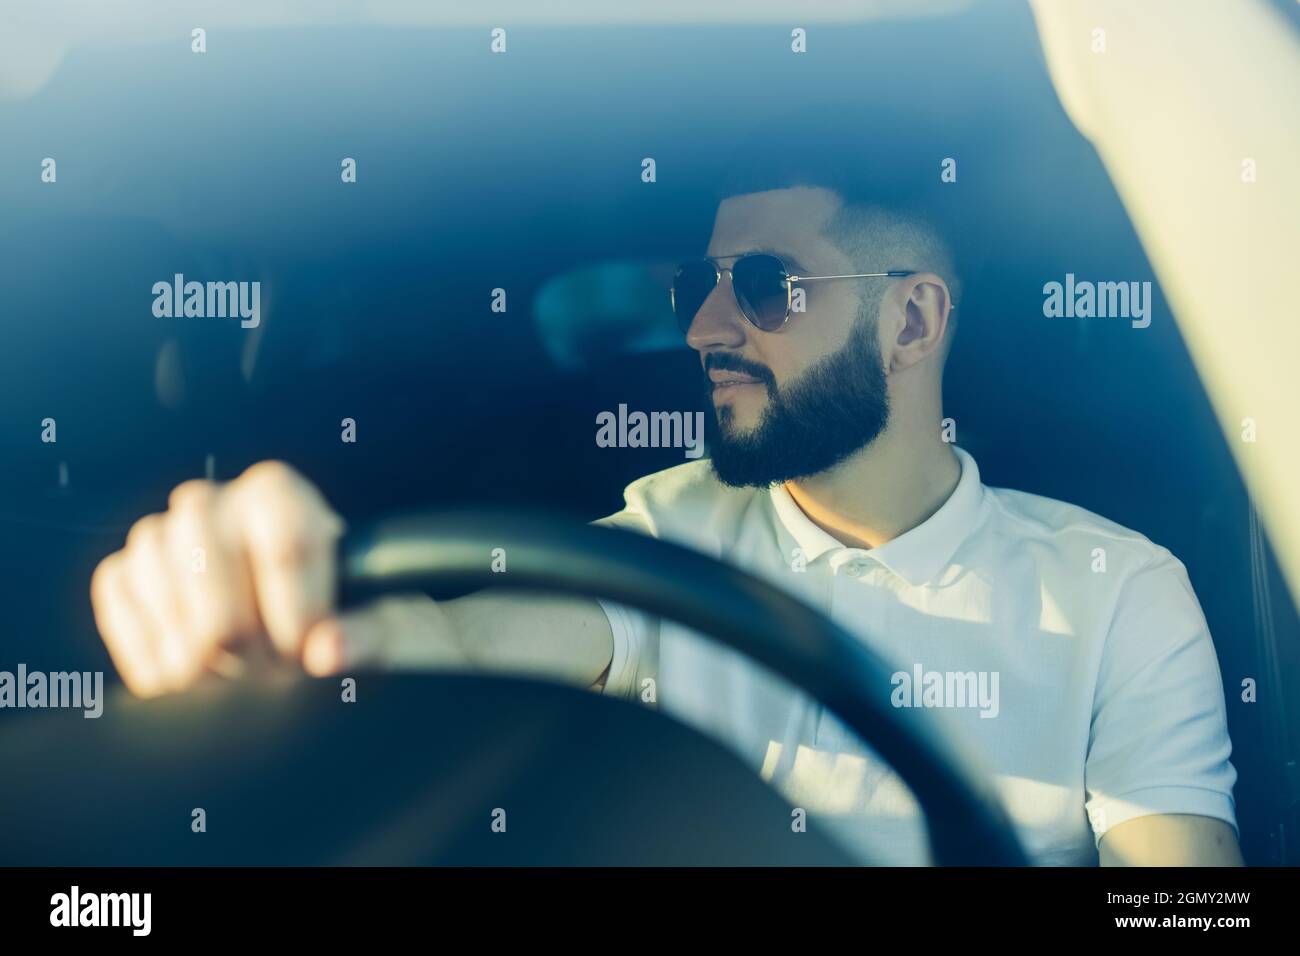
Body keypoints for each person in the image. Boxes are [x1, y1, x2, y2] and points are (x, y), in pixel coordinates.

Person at [89, 126, 1242, 867]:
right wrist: (280, 613)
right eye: (701, 285)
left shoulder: (1118, 589)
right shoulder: (666, 539)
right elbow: (448, 639)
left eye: (761, 285)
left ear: (909, 320)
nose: (701, 328)